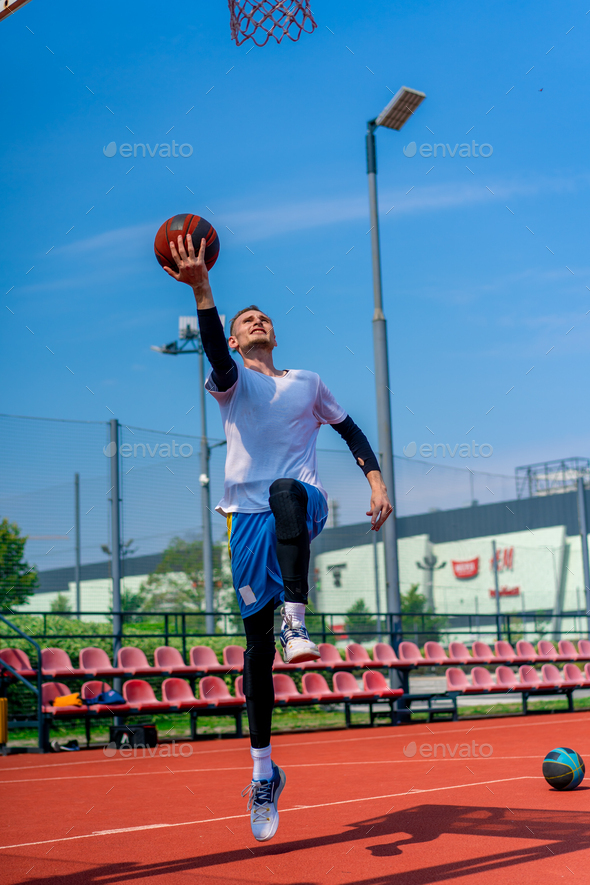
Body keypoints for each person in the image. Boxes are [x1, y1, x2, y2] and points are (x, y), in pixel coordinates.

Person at [165, 234, 393, 842]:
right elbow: (212, 348)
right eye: (246, 321)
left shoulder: (308, 382)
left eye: (262, 316)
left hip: (299, 505)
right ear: (237, 341)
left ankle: (298, 616)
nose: (256, 321)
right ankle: (264, 773)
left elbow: (351, 432)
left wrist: (375, 483)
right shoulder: (231, 380)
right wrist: (203, 289)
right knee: (255, 654)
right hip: (246, 524)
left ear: (274, 335)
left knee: (287, 491)